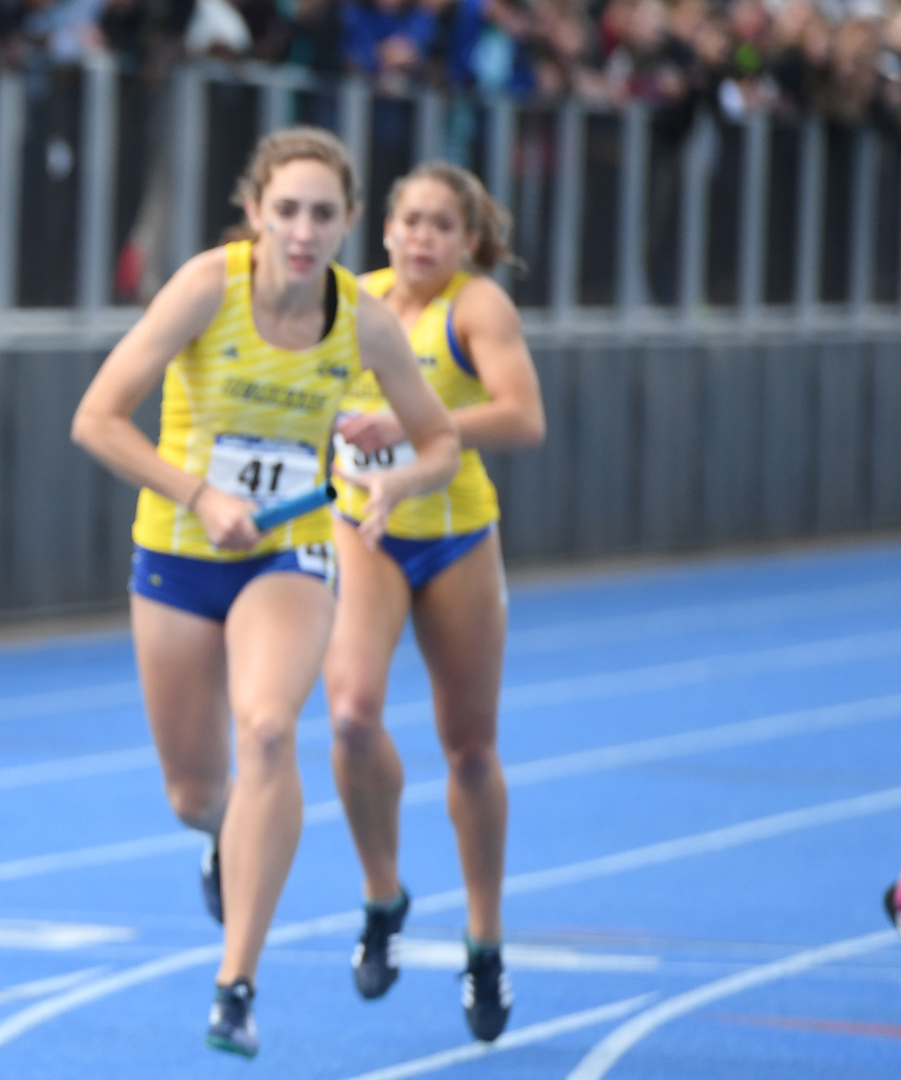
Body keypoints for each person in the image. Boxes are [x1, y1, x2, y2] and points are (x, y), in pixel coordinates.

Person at [72, 127, 460, 1059]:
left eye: (323, 214)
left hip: (290, 554)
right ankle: (225, 838)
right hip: (179, 552)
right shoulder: (209, 287)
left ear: (349, 221)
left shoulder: (362, 318)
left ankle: (236, 984)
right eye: (286, 210)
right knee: (195, 793)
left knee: (271, 730)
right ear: (255, 213)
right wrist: (200, 495)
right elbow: (97, 419)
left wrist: (397, 481)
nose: (304, 230)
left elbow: (441, 441)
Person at [321, 162, 543, 1043]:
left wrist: (420, 426)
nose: (422, 237)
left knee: (469, 747)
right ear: (383, 228)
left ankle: (484, 940)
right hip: (363, 527)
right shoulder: (349, 299)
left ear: (468, 241)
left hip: (454, 536)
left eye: (441, 225)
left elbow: (523, 417)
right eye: (409, 220)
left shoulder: (475, 307)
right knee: (350, 717)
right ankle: (383, 894)